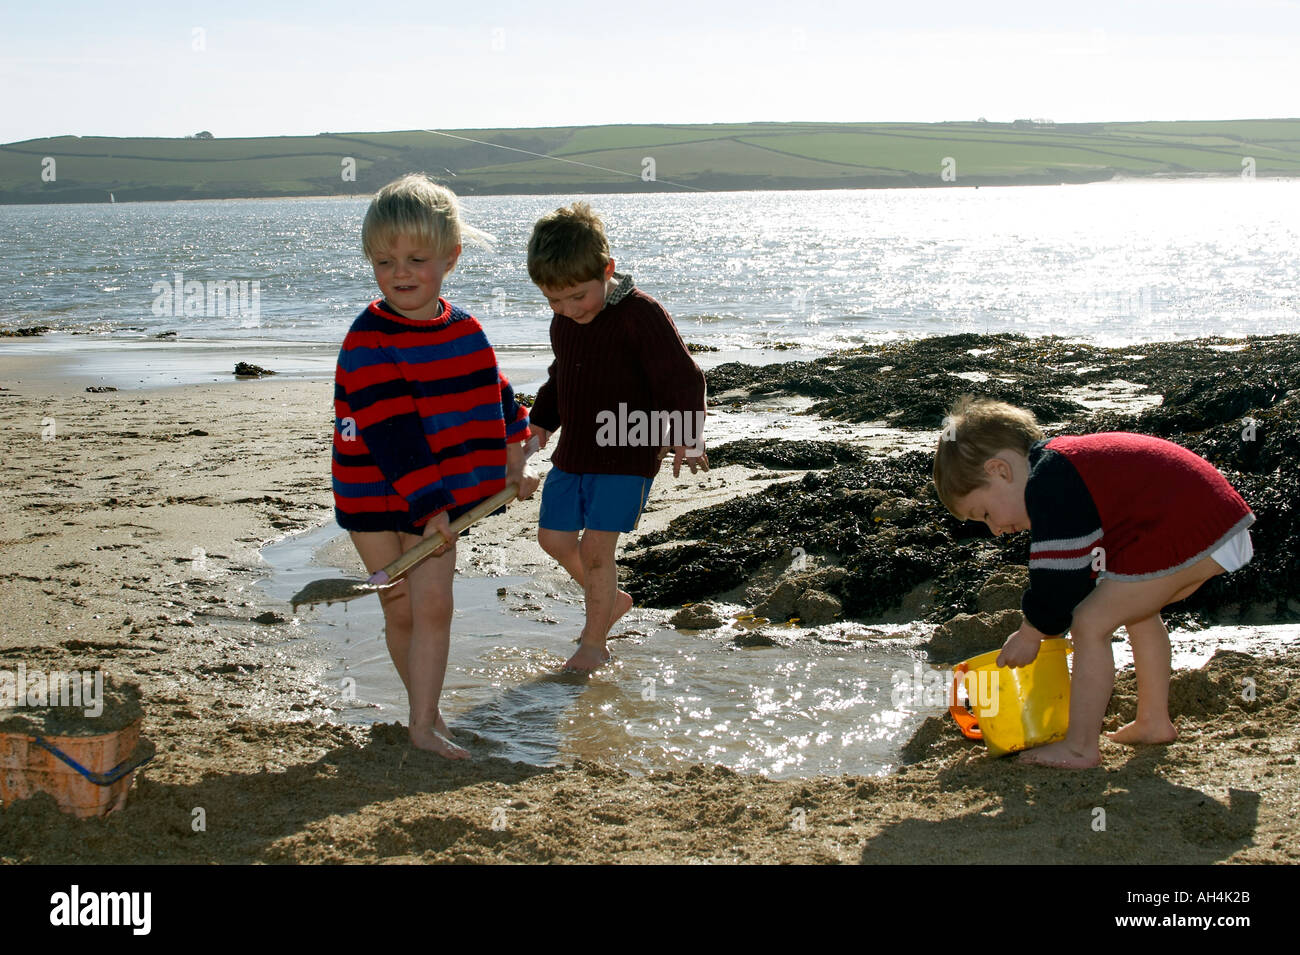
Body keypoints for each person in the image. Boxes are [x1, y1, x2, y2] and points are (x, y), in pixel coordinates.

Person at [332, 174, 537, 758]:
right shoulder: (368, 340)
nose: (400, 272)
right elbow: (393, 433)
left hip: (435, 495)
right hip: (374, 491)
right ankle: (424, 715)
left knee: (435, 605)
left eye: (417, 258)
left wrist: (514, 449)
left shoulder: (465, 330)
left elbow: (493, 393)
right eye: (384, 261)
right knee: (397, 602)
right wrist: (429, 509)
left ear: (450, 257)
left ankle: (423, 719)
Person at [933, 397, 1255, 769]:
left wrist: (1031, 631)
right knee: (1135, 611)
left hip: (1194, 526)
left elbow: (1057, 580)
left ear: (1000, 470)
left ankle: (1080, 747)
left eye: (985, 513)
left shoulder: (1049, 483)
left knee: (1090, 622)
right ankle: (1153, 722)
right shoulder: (1062, 467)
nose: (995, 530)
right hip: (1211, 522)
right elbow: (1081, 570)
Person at [526, 202, 707, 673]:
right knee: (553, 538)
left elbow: (682, 379)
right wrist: (542, 420)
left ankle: (593, 642)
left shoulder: (640, 314)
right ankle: (611, 601)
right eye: (553, 301)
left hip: (629, 448)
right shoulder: (565, 321)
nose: (566, 309)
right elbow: (562, 375)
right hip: (576, 450)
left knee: (596, 549)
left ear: (607, 270)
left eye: (576, 297)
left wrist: (687, 435)